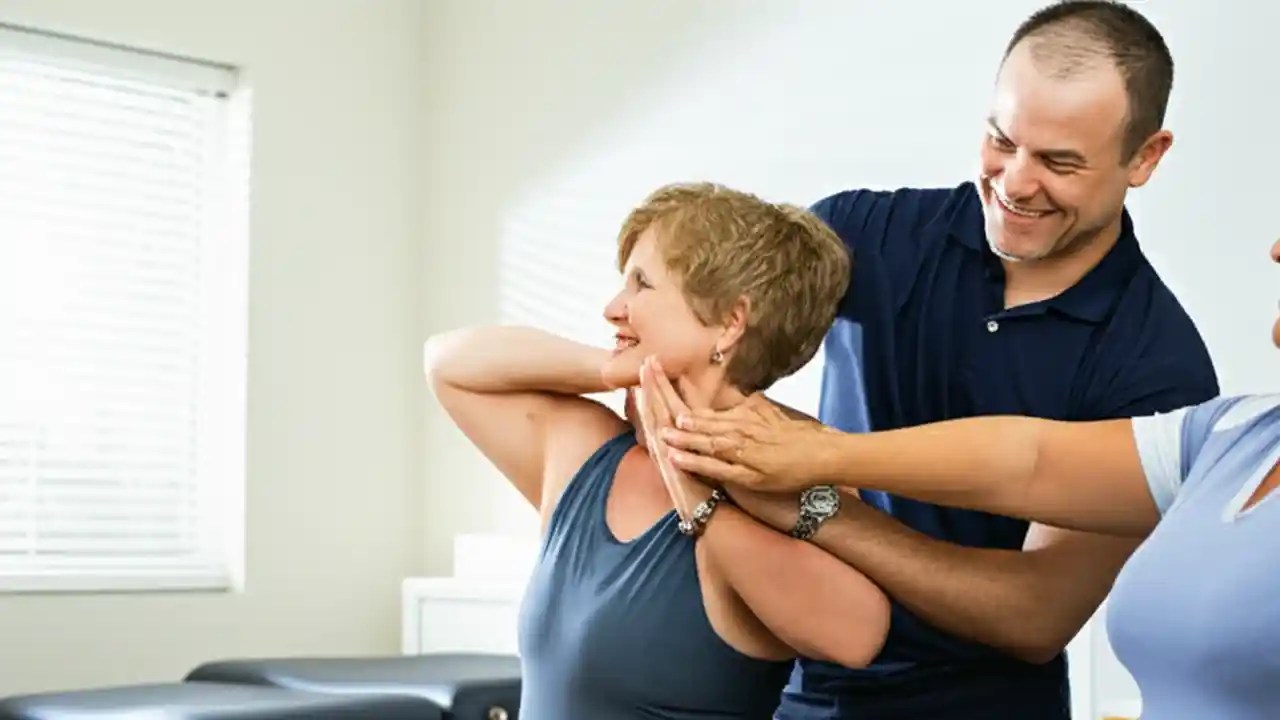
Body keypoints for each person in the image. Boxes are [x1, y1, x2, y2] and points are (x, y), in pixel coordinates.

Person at [672, 2, 1220, 718]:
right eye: (1002, 140)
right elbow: (697, 346)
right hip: (803, 692)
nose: (1015, 183)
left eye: (1059, 162)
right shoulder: (860, 234)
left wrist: (818, 492)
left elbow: (1034, 615)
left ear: (1144, 157)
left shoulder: (1161, 371)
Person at [654, 237, 1280, 720]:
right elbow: (1031, 458)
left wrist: (812, 476)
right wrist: (817, 456)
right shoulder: (1233, 434)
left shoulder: (1155, 357)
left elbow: (1033, 617)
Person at [422, 181, 889, 719]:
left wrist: (696, 497)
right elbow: (447, 364)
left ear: (731, 321)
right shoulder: (587, 452)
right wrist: (606, 368)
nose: (613, 308)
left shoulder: (794, 469)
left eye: (642, 284)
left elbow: (855, 635)